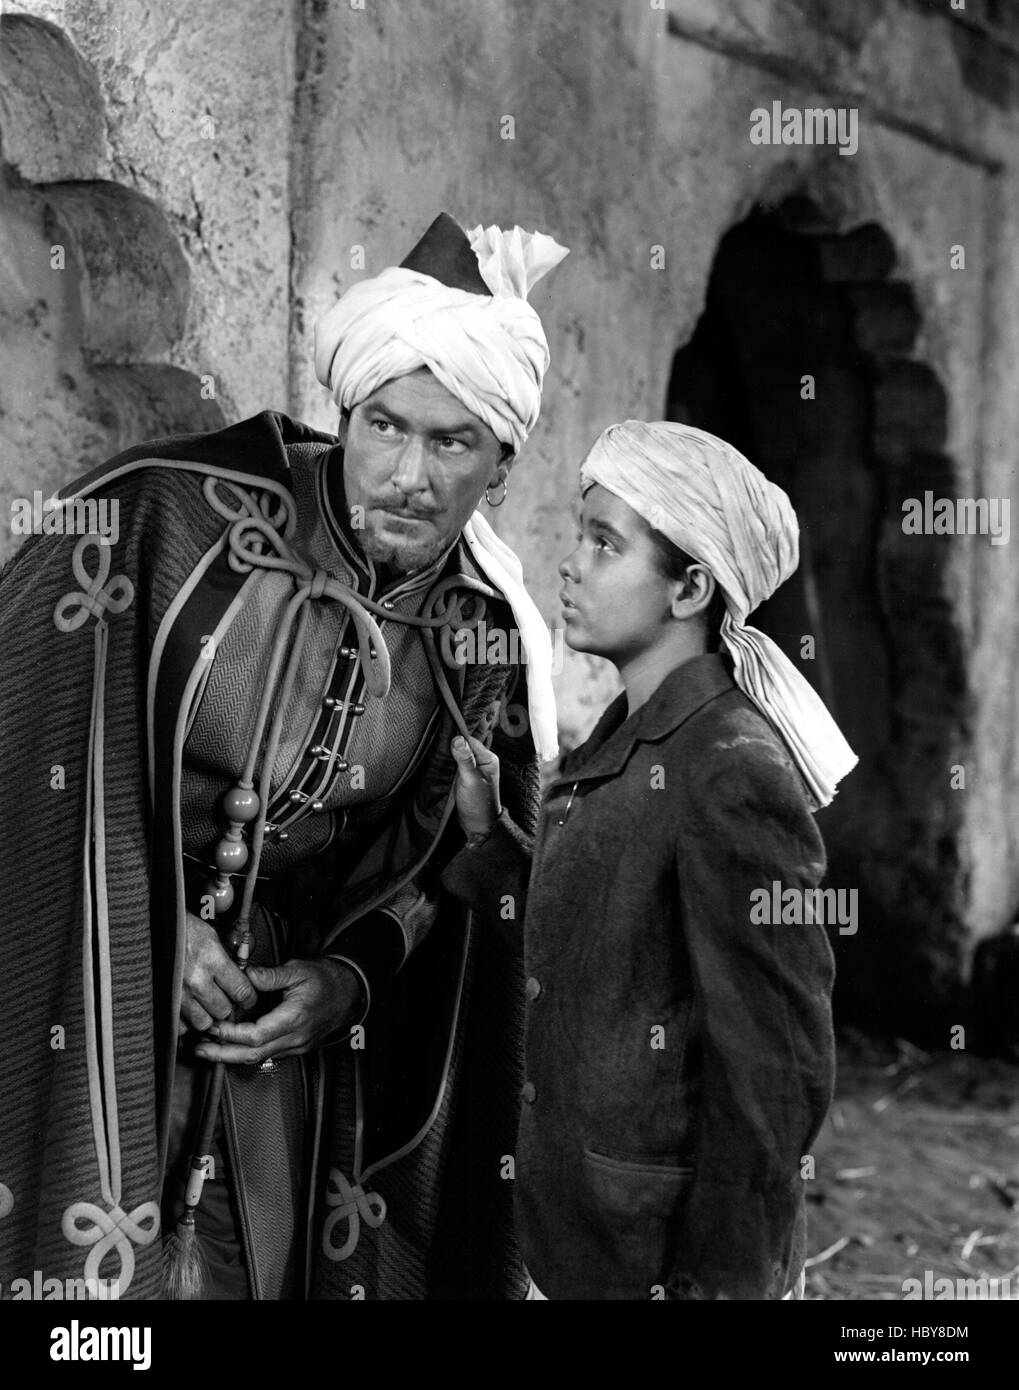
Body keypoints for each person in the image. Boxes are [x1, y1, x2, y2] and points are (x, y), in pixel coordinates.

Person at [0, 213, 567, 1300]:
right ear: (346, 412)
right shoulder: (161, 515)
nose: (406, 474)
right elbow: (23, 750)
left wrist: (344, 982)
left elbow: (452, 877)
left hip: (276, 1032)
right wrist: (151, 935)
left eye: (451, 443)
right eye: (384, 427)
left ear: (501, 463)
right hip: (95, 974)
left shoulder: (480, 633)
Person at [443, 419, 858, 1300]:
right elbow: (609, 934)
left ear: (689, 589)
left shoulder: (730, 768)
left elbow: (777, 1067)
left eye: (605, 544)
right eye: (579, 533)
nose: (571, 563)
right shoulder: (628, 737)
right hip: (590, 1238)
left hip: (665, 1265)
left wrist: (713, 1284)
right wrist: (490, 846)